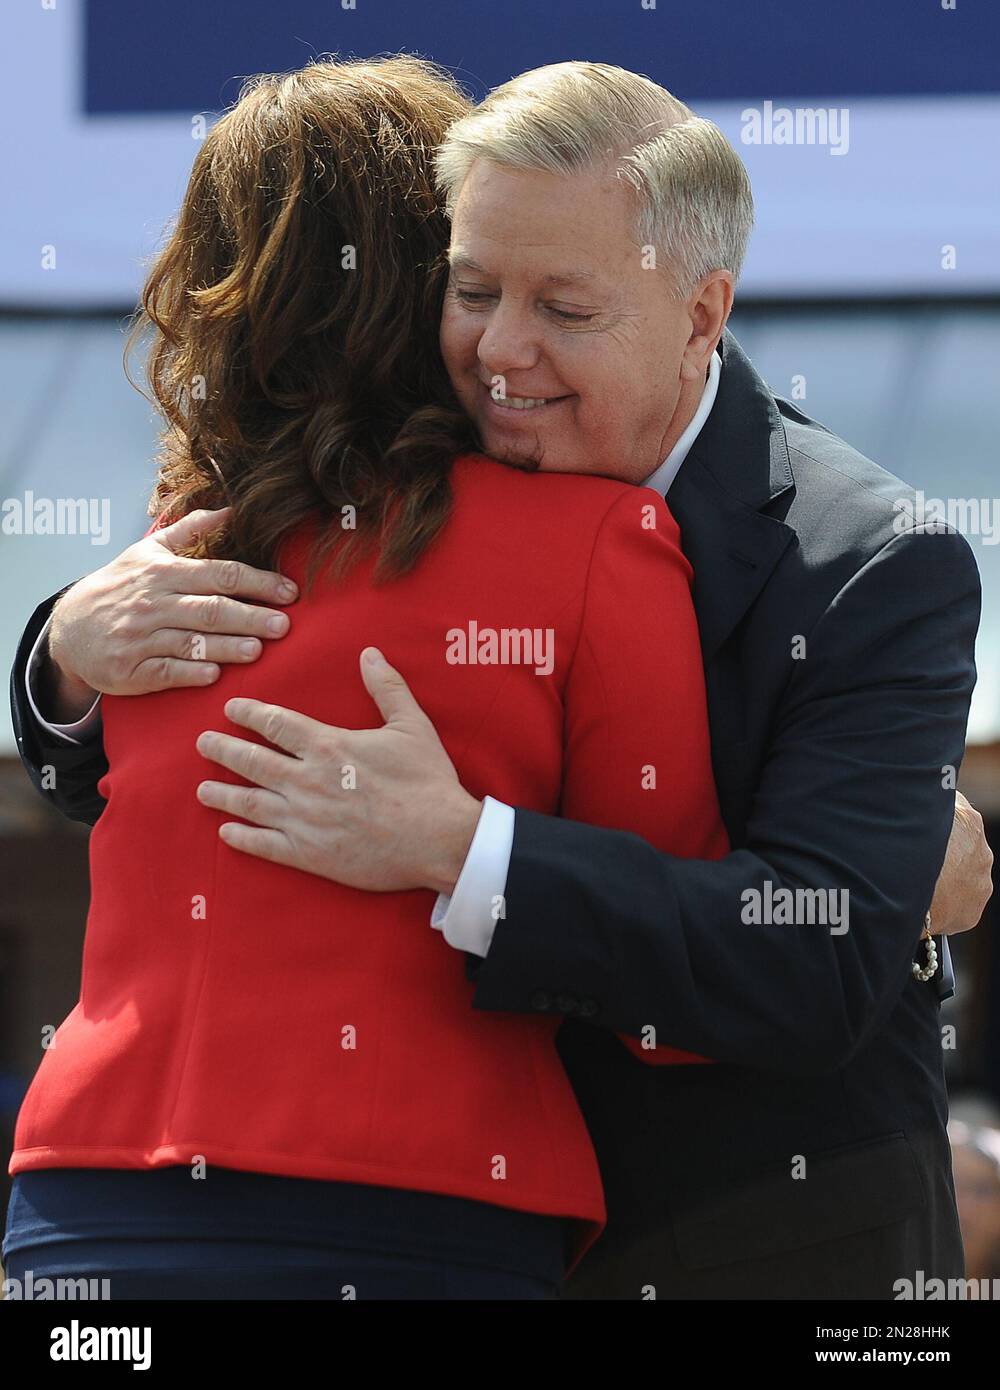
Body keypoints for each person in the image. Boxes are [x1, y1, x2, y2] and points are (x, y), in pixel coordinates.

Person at [9, 62, 993, 1299]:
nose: (499, 351)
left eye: (564, 309)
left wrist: (468, 848)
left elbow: (814, 952)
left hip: (750, 1241)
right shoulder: (371, 485)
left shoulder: (872, 558)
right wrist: (62, 658)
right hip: (444, 1225)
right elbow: (177, 763)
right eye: (470, 291)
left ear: (701, 315)